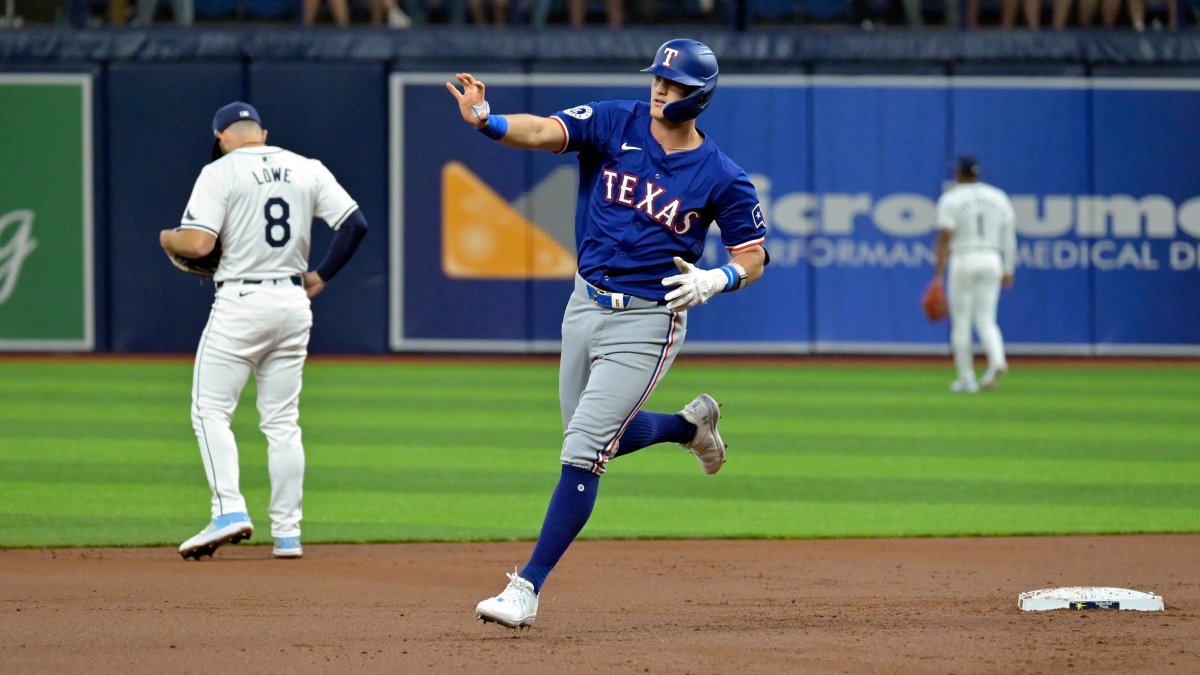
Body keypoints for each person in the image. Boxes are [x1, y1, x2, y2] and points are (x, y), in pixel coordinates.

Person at [446, 38, 768, 629]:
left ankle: (526, 588)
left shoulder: (722, 175)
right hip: (584, 302)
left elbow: (753, 255)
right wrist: (489, 120)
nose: (660, 89)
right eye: (658, 78)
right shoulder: (615, 120)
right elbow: (543, 131)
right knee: (600, 438)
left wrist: (718, 278)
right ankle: (689, 427)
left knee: (583, 448)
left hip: (649, 318)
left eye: (673, 83)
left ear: (699, 96)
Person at [163, 101, 368, 560]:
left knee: (210, 410)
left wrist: (167, 237)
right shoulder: (306, 167)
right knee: (281, 422)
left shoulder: (219, 171)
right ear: (264, 133)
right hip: (292, 301)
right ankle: (288, 535)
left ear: (222, 138)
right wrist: (321, 275)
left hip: (241, 300)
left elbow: (197, 242)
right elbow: (356, 225)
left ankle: (228, 510)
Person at [931, 156, 1015, 393]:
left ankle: (966, 377)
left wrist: (938, 276)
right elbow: (1009, 235)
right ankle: (997, 360)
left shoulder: (951, 198)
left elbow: (944, 237)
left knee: (961, 322)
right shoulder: (998, 196)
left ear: (959, 173)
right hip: (992, 257)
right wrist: (1008, 267)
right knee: (987, 319)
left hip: (963, 257)